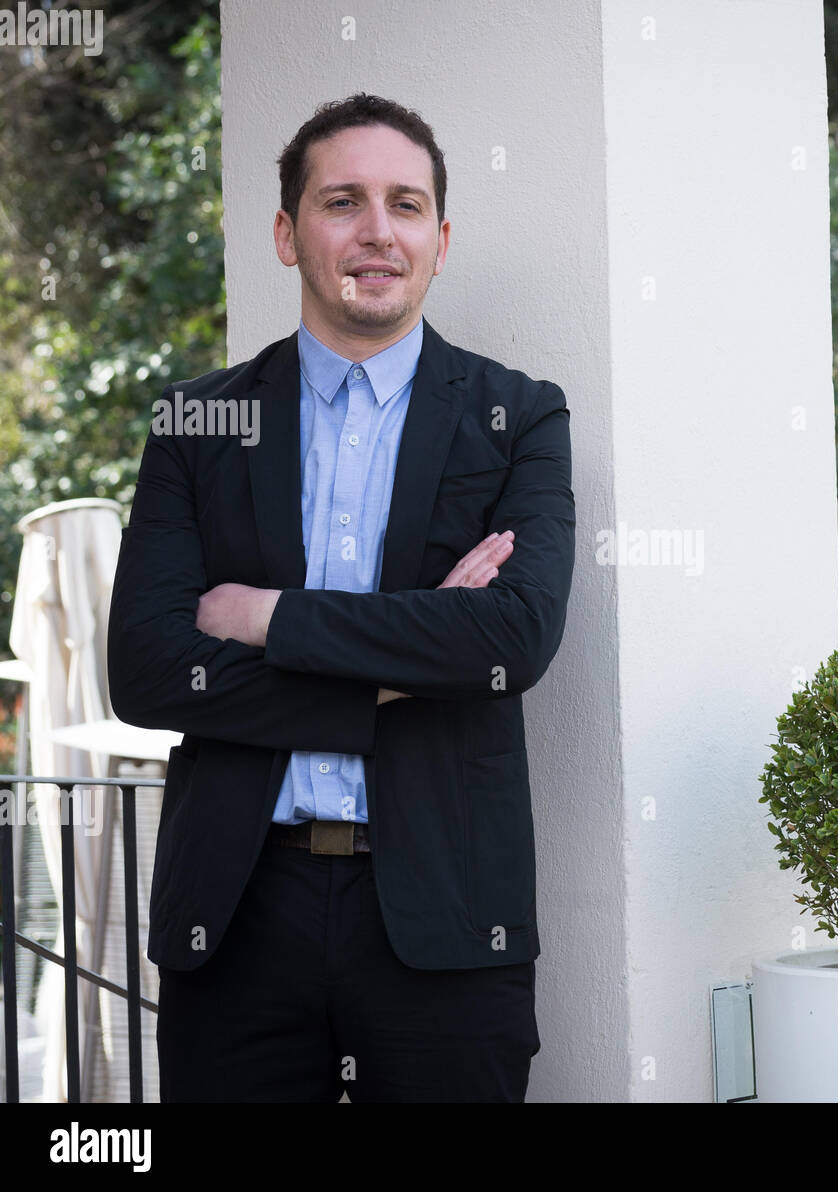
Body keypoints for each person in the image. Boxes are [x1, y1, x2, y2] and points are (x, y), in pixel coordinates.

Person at [106, 92, 576, 1103]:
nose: (377, 232)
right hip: (235, 911)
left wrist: (266, 616)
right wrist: (398, 676)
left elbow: (512, 635)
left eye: (405, 205)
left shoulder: (518, 417)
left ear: (440, 240)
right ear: (286, 232)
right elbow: (146, 670)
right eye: (342, 202)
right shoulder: (198, 422)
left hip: (446, 914)